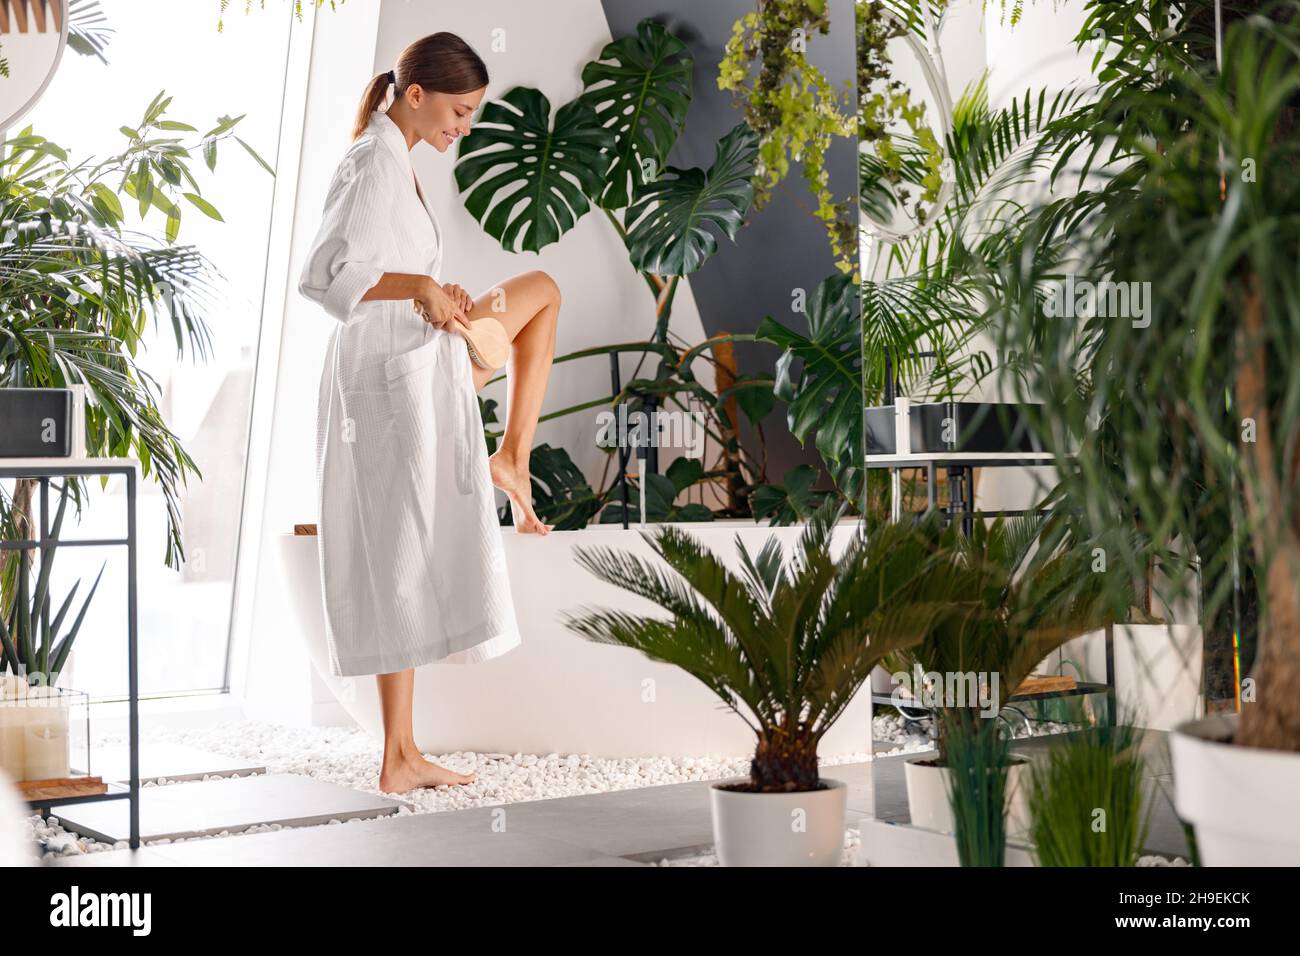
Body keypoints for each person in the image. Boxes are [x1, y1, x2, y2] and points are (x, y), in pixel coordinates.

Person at [298, 32, 560, 793]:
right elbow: (323, 277)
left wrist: (436, 295)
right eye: (459, 111)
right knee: (395, 556)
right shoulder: (373, 162)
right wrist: (420, 285)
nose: (464, 127)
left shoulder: (392, 159)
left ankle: (401, 754)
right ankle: (397, 757)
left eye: (474, 115)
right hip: (386, 378)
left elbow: (374, 272)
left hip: (412, 361)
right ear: (416, 95)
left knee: (397, 555)